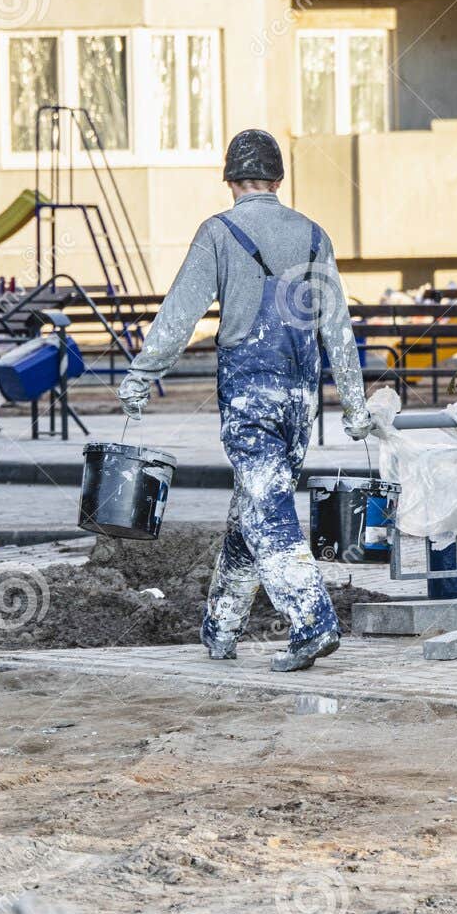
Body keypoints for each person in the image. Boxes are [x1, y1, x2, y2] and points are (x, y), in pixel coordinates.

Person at [117, 129, 372, 673]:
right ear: (279, 179)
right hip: (300, 400)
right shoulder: (313, 235)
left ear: (230, 179)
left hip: (251, 393)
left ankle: (311, 620)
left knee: (268, 507)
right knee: (255, 504)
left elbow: (179, 315)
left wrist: (141, 376)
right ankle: (222, 625)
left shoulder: (219, 232)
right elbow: (338, 330)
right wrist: (354, 405)